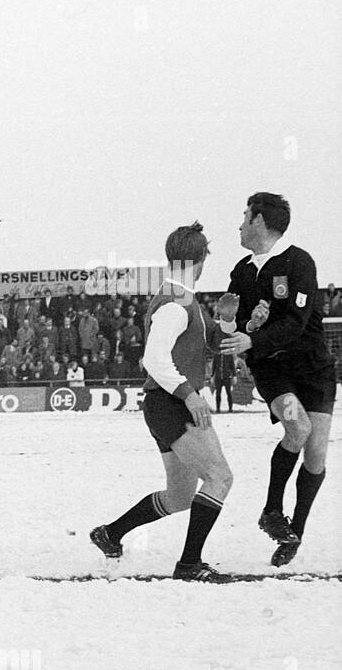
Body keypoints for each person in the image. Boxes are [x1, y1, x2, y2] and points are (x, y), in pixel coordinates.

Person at [90, 221, 233, 581]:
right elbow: (155, 360)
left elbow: (205, 345)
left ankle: (110, 534)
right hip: (173, 404)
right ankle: (189, 564)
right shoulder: (176, 301)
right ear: (202, 258)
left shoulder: (182, 297)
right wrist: (189, 394)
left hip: (162, 405)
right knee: (219, 477)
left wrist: (227, 322)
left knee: (181, 495)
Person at [219, 192, 334, 567]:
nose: (239, 224)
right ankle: (271, 510)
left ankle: (293, 532)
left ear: (258, 221)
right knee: (297, 429)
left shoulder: (299, 263)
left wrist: (253, 333)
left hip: (314, 368)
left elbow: (296, 324)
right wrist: (240, 326)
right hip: (272, 368)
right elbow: (228, 321)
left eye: (244, 216)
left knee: (316, 455)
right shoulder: (240, 271)